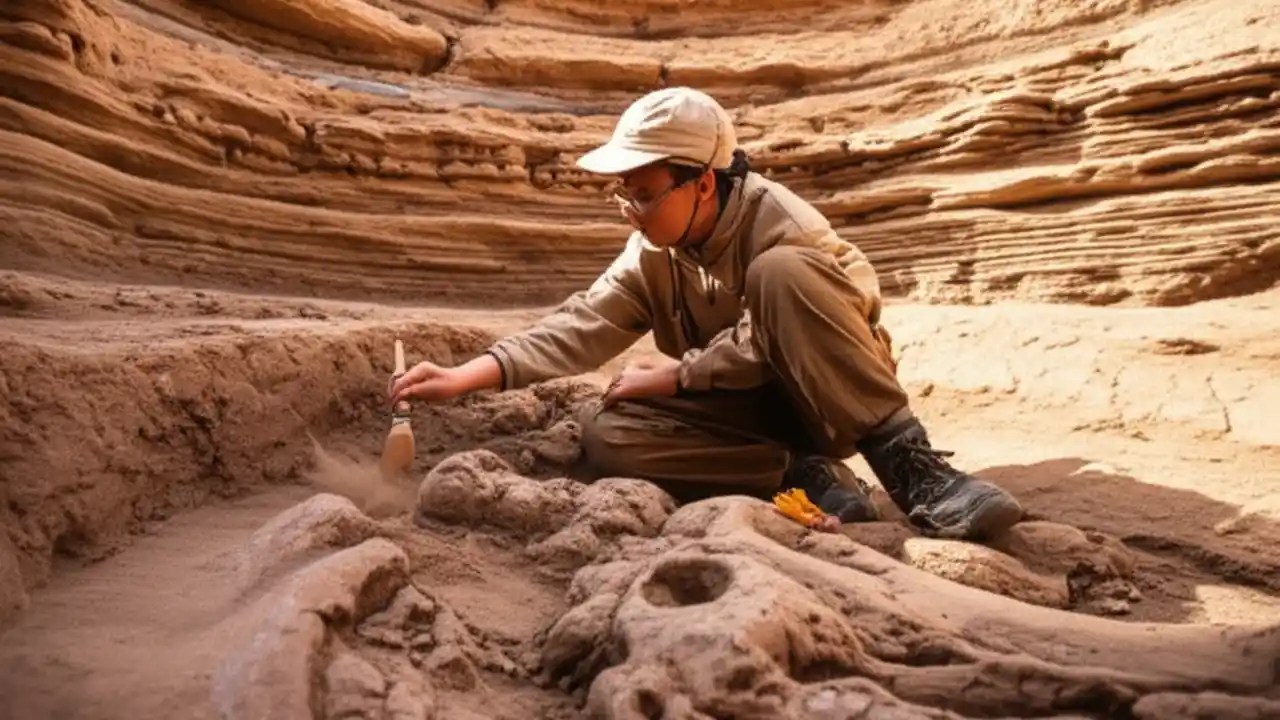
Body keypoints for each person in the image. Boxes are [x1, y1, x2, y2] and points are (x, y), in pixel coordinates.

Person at [389, 87, 1024, 540]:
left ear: (701, 183)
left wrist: (678, 376)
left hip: (827, 400)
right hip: (743, 415)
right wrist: (466, 375)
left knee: (782, 274)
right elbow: (583, 323)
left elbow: (816, 326)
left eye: (643, 194)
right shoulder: (653, 250)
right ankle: (798, 474)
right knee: (607, 432)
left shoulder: (787, 225)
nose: (630, 211)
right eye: (622, 194)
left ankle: (920, 474)